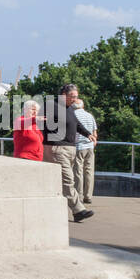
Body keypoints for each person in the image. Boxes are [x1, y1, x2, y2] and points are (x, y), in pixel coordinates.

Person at [42, 84, 94, 222]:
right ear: (63, 95)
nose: (75, 100)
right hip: (57, 148)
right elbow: (40, 122)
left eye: (76, 97)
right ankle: (78, 210)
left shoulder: (69, 109)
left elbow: (76, 124)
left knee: (60, 180)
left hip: (70, 149)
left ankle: (49, 208)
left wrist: (88, 134)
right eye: (72, 97)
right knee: (68, 180)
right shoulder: (50, 106)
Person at [73, 97, 98, 207]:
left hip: (78, 147)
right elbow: (94, 134)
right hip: (90, 147)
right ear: (83, 106)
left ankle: (79, 195)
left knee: (78, 172)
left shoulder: (73, 116)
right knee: (89, 171)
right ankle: (88, 196)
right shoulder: (90, 116)